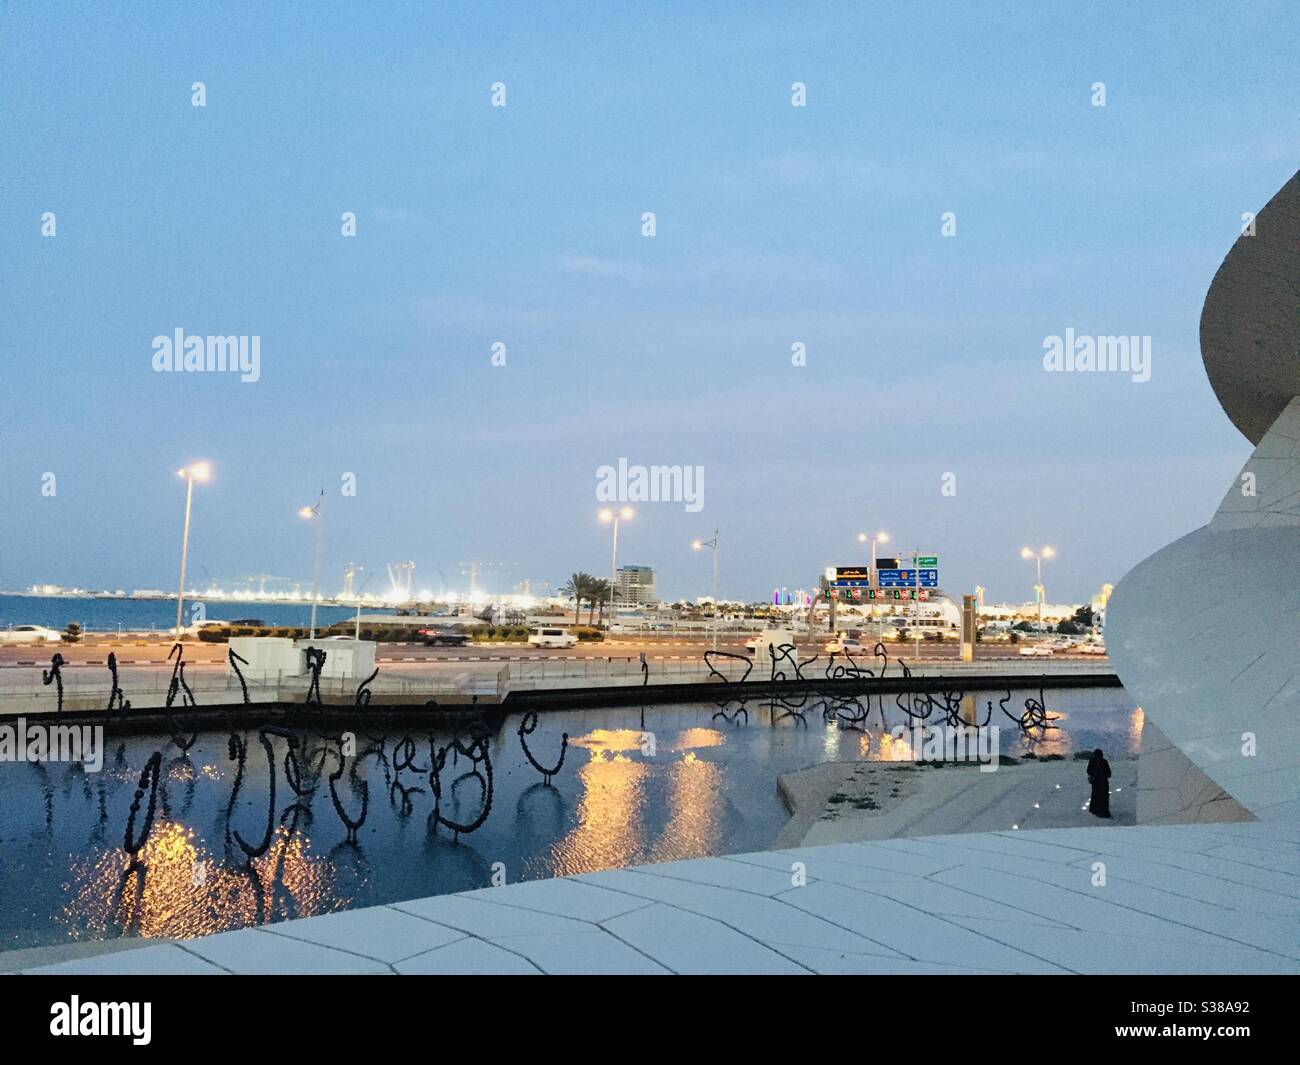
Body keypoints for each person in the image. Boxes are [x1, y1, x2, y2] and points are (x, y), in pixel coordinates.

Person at [1086, 748, 1112, 818]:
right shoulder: (1104, 762)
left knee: (1095, 797)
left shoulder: (1092, 761)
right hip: (1104, 783)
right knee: (1104, 797)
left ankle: (1095, 810)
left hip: (1096, 783)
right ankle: (1104, 812)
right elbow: (1109, 773)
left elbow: (1089, 771)